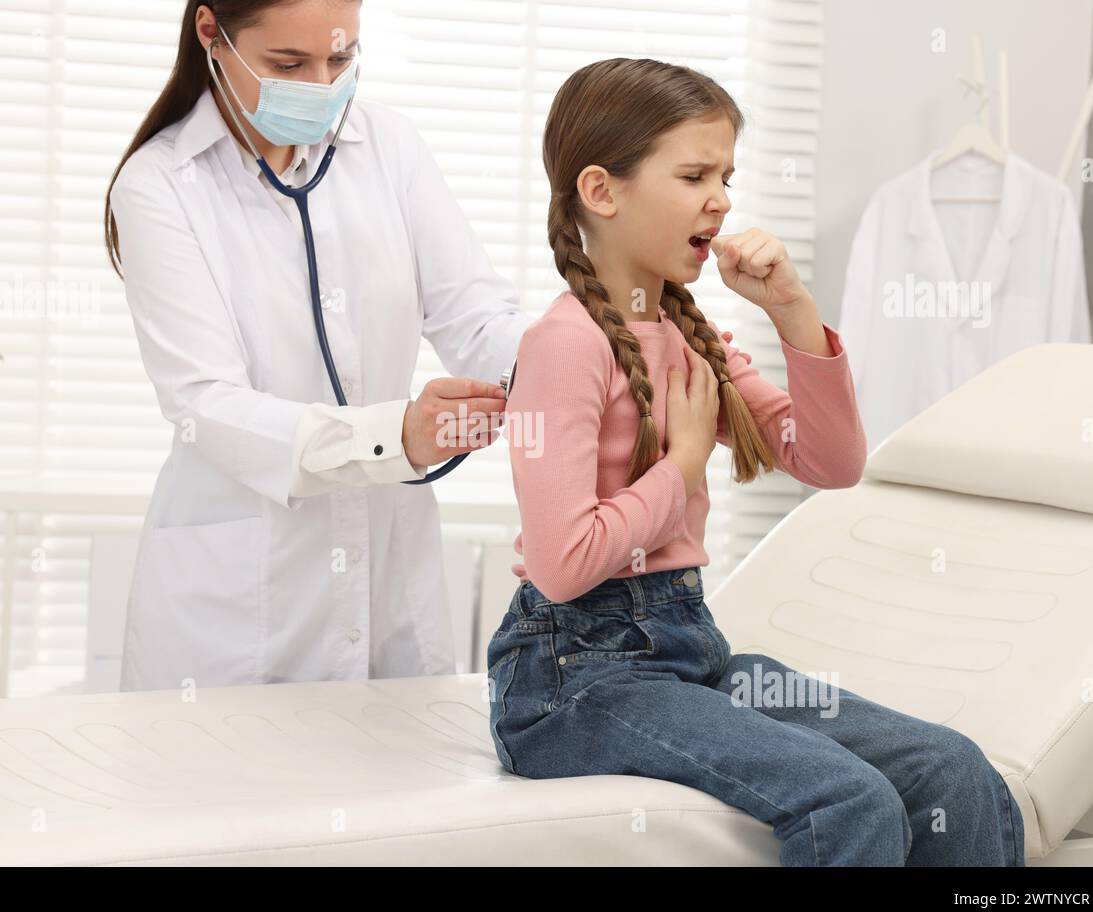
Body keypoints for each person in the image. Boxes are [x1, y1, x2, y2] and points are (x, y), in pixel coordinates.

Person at [487, 57, 1026, 866]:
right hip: (570, 681)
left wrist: (790, 308)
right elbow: (563, 567)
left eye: (727, 176)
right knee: (848, 797)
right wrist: (685, 463)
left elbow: (833, 461)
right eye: (696, 173)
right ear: (602, 191)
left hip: (686, 654)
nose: (723, 199)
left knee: (955, 770)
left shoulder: (693, 336)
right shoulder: (563, 345)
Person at [103, 0, 529, 691]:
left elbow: (477, 317)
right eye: (288, 64)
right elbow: (206, 403)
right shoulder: (160, 185)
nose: (323, 85)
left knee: (402, 786)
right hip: (233, 619)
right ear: (211, 32)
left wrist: (583, 363)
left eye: (342, 58)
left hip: (390, 585)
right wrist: (396, 434)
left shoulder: (387, 146)